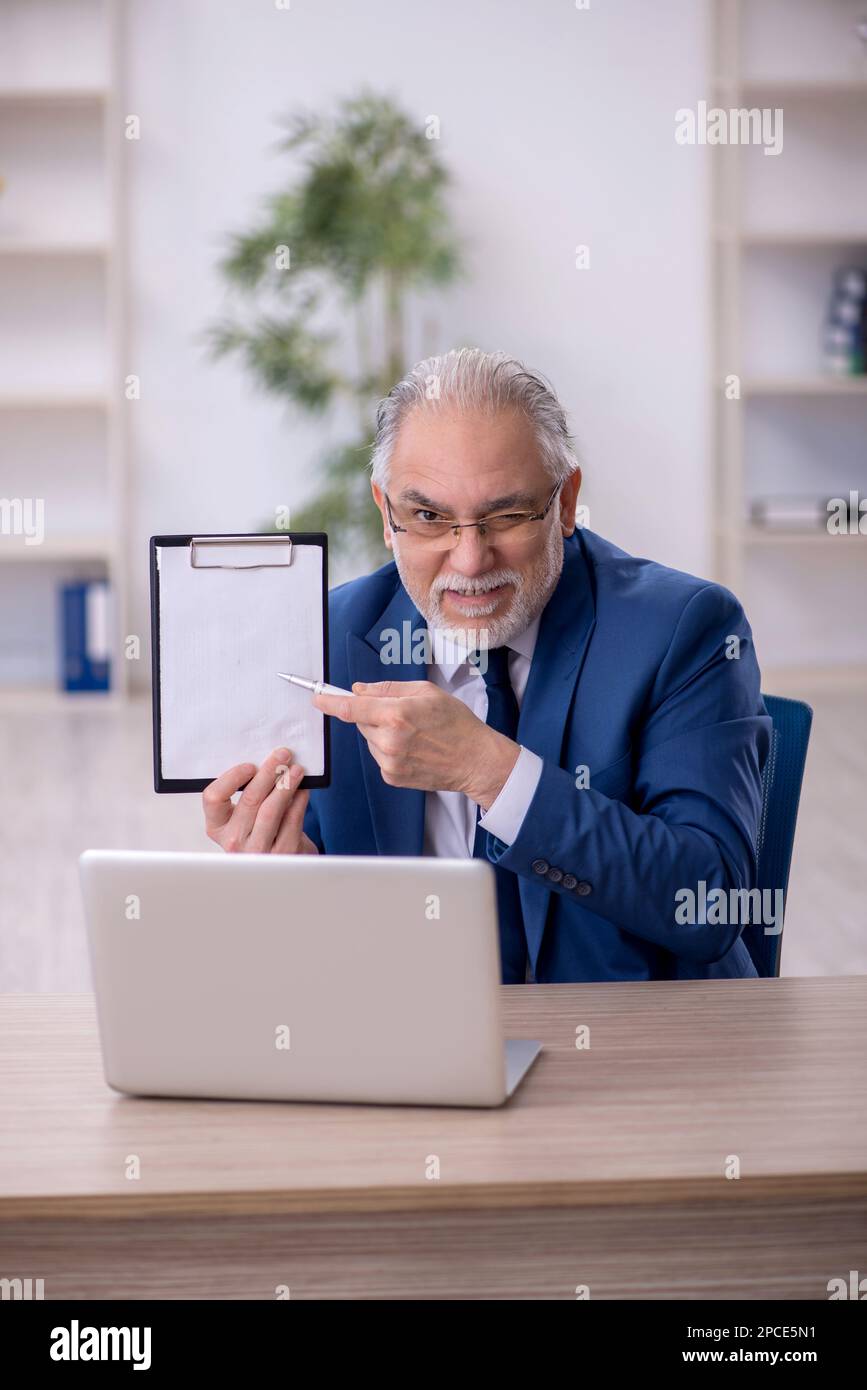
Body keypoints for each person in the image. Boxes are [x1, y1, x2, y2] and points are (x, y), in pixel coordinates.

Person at [202, 348, 771, 983]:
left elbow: (709, 903)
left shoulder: (684, 629)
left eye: (505, 516)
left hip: (633, 1047)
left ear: (564, 503)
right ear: (385, 514)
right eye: (429, 517)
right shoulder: (326, 640)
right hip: (411, 1044)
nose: (470, 561)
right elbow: (339, 952)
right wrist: (290, 873)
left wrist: (491, 773)